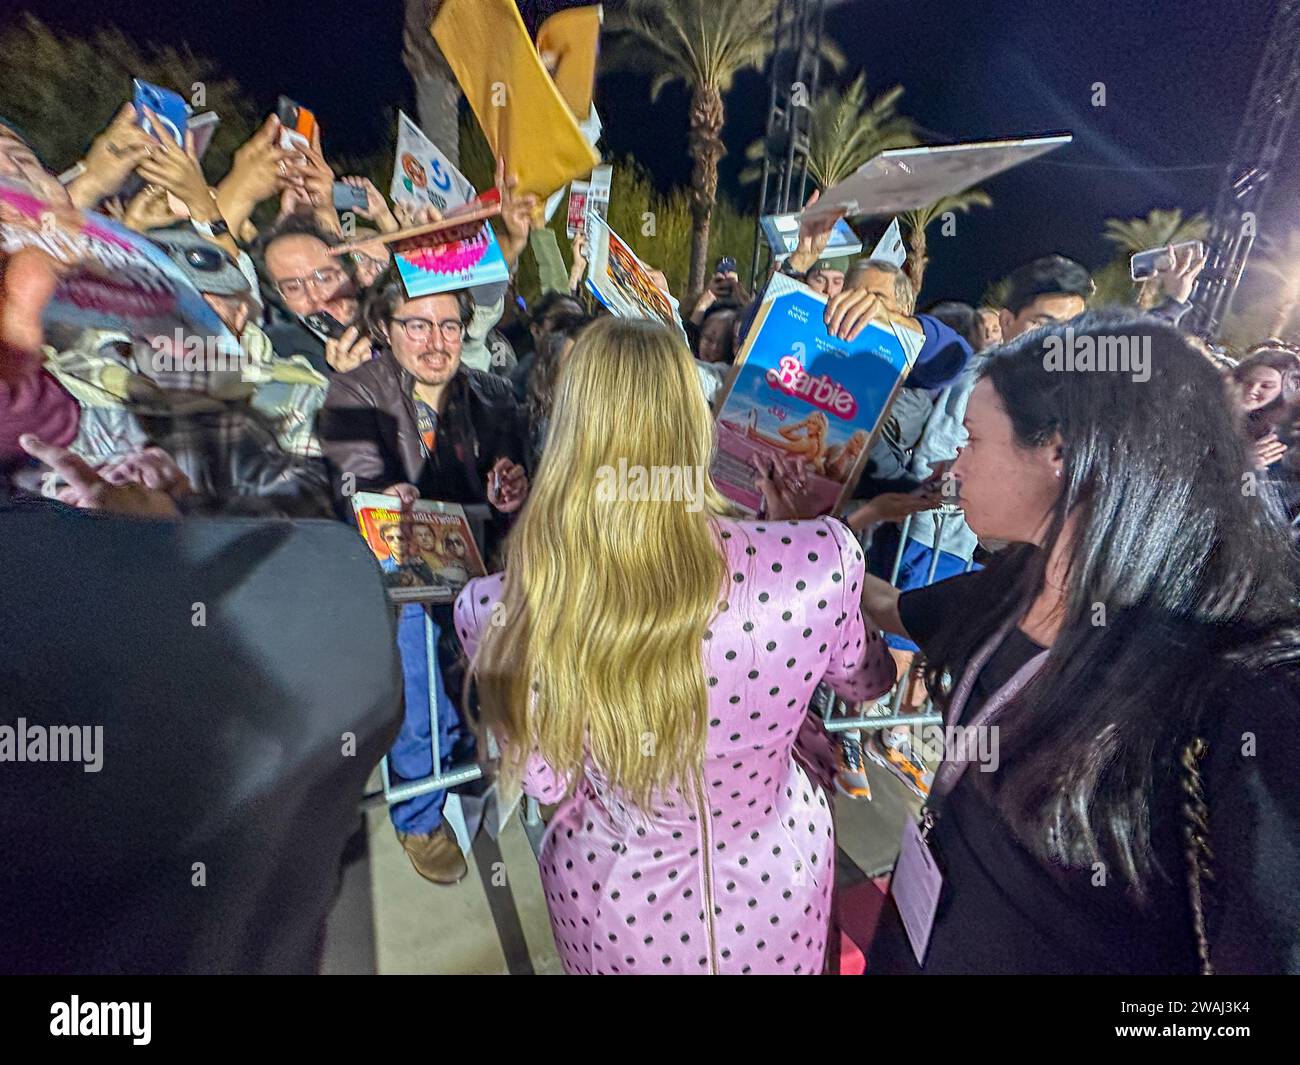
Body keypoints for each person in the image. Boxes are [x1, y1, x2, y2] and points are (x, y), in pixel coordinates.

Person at [853, 314, 1300, 974]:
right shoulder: (1017, 583)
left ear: (1061, 453)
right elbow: (890, 607)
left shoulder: (1237, 696)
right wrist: (813, 534)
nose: (956, 463)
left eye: (973, 439)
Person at [454, 317, 897, 975]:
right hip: (777, 881)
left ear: (570, 432)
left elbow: (546, 777)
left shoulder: (499, 608)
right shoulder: (820, 558)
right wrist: (791, 539)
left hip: (614, 902)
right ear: (699, 424)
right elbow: (869, 680)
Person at [318, 270, 529, 885]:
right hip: (399, 583)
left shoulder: (493, 396)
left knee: (475, 694)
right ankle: (417, 815)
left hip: (479, 577)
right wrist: (382, 494)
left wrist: (511, 491)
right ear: (385, 328)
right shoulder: (355, 395)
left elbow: (517, 476)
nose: (436, 341)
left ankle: (468, 771)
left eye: (449, 325)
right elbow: (350, 477)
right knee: (419, 698)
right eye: (416, 325)